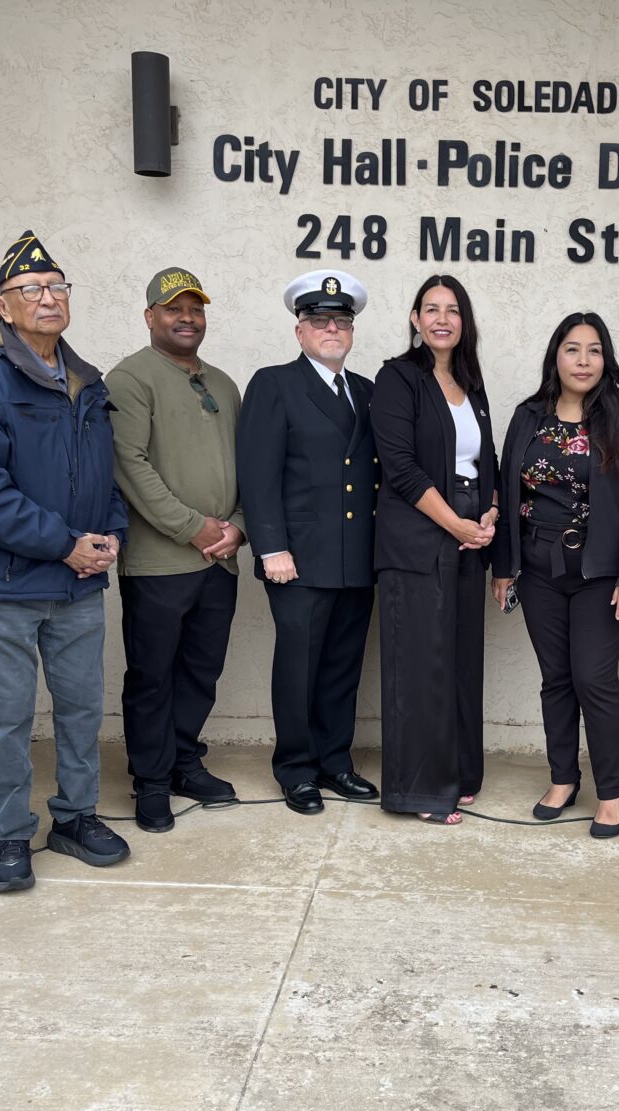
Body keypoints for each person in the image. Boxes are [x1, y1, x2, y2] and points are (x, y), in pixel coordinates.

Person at [0, 231, 132, 893]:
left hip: (76, 585)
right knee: (7, 719)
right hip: (2, 588)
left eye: (56, 287)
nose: (47, 298)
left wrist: (109, 535)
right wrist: (64, 543)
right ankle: (11, 834)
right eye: (30, 290)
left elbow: (104, 477)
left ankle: (76, 818)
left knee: (81, 710)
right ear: (2, 303)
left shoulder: (86, 381)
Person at [492, 313, 619, 839]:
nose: (583, 360)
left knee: (594, 679)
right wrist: (504, 568)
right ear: (555, 357)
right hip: (538, 569)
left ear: (605, 359)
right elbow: (507, 490)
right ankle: (563, 778)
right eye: (572, 349)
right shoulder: (528, 415)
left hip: (601, 574)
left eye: (593, 350)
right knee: (556, 680)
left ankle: (612, 792)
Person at [236, 270, 380, 816]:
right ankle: (296, 769)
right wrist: (271, 547)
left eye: (341, 321)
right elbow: (258, 473)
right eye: (319, 320)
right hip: (296, 561)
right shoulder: (274, 384)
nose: (332, 329)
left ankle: (334, 762)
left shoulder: (366, 392)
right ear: (300, 331)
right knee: (299, 668)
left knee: (343, 667)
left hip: (356, 558)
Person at [108, 267, 244, 834]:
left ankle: (185, 761)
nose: (187, 318)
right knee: (153, 674)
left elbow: (248, 467)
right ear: (150, 317)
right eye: (173, 309)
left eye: (195, 308)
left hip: (221, 557)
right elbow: (129, 465)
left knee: (200, 671)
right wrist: (193, 527)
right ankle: (152, 780)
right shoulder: (130, 379)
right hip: (161, 562)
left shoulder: (224, 383)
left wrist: (237, 526)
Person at [372, 275, 498, 825]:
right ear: (415, 320)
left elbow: (485, 460)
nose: (442, 318)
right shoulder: (398, 378)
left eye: (452, 310)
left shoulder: (472, 383)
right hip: (420, 538)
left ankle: (460, 773)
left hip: (469, 536)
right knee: (421, 666)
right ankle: (419, 792)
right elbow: (400, 468)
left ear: (463, 321)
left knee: (461, 662)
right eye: (431, 309)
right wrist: (458, 525)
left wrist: (489, 514)